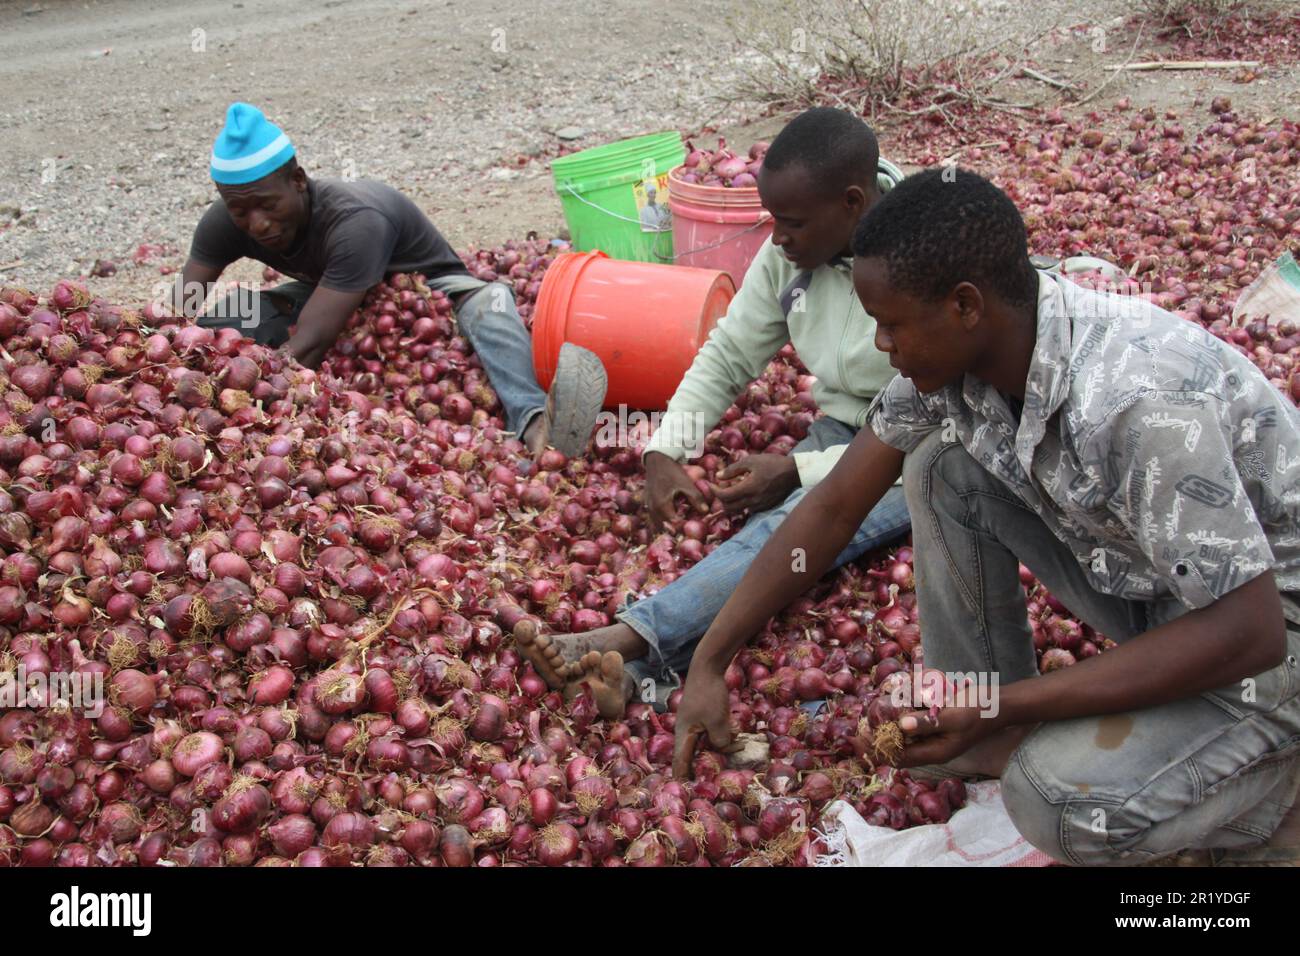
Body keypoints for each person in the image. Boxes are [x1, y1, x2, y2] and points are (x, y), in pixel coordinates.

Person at [671, 167, 1300, 865]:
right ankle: (983, 732)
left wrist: (1014, 702)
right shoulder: (956, 365)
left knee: (1055, 803)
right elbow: (834, 506)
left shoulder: (1138, 400)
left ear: (964, 306)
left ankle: (1272, 801)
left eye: (889, 325)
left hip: (1273, 637)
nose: (882, 345)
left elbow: (1251, 633)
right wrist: (711, 656)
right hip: (1165, 592)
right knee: (943, 464)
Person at [516, 108, 912, 717]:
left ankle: (628, 637)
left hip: (923, 448)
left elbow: (940, 421)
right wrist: (666, 446)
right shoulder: (796, 252)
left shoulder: (922, 257)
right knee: (777, 536)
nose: (776, 239)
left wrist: (798, 472)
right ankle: (637, 675)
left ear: (853, 203)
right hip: (843, 429)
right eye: (772, 220)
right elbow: (730, 350)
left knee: (791, 525)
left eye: (791, 223)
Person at [171, 102, 607, 457]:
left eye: (267, 205)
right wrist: (166, 367)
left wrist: (253, 405)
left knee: (490, 303)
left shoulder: (354, 221)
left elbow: (308, 344)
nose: (258, 223)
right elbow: (179, 310)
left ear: (298, 181)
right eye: (240, 210)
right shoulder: (225, 221)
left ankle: (535, 422)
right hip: (335, 296)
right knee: (237, 312)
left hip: (430, 292)